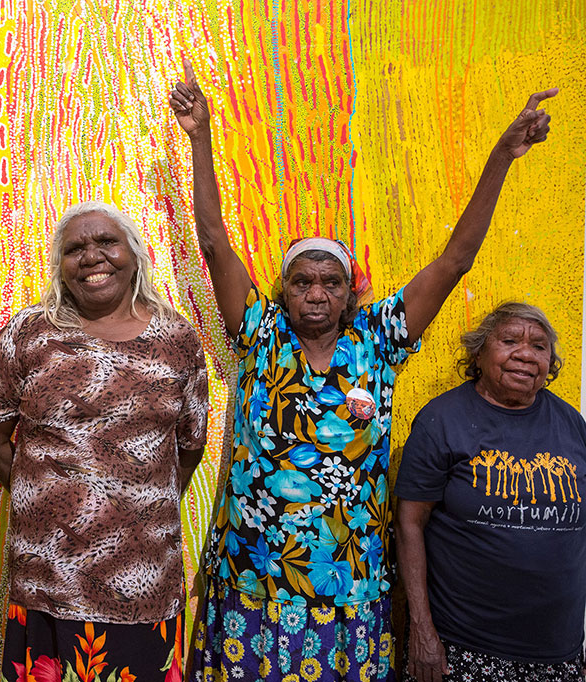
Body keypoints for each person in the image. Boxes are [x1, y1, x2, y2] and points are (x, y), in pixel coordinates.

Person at [169, 57, 556, 681]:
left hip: (348, 583)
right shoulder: (261, 333)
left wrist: (501, 159)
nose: (316, 293)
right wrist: (201, 138)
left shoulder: (378, 338)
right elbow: (214, 239)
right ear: (283, 289)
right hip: (253, 575)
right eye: (302, 281)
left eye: (331, 281)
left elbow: (455, 260)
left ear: (352, 293)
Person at [0, 201, 210, 681]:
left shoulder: (177, 339)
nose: (92, 256)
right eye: (75, 248)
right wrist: (44, 500)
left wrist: (133, 507)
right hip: (48, 578)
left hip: (143, 581)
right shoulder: (29, 334)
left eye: (106, 242)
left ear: (134, 254)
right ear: (60, 266)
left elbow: (189, 447)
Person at [395, 303, 586, 682]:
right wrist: (421, 631)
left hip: (557, 652)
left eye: (539, 346)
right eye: (510, 340)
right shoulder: (441, 421)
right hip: (463, 648)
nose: (525, 354)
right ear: (479, 353)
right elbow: (408, 525)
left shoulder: (571, 424)